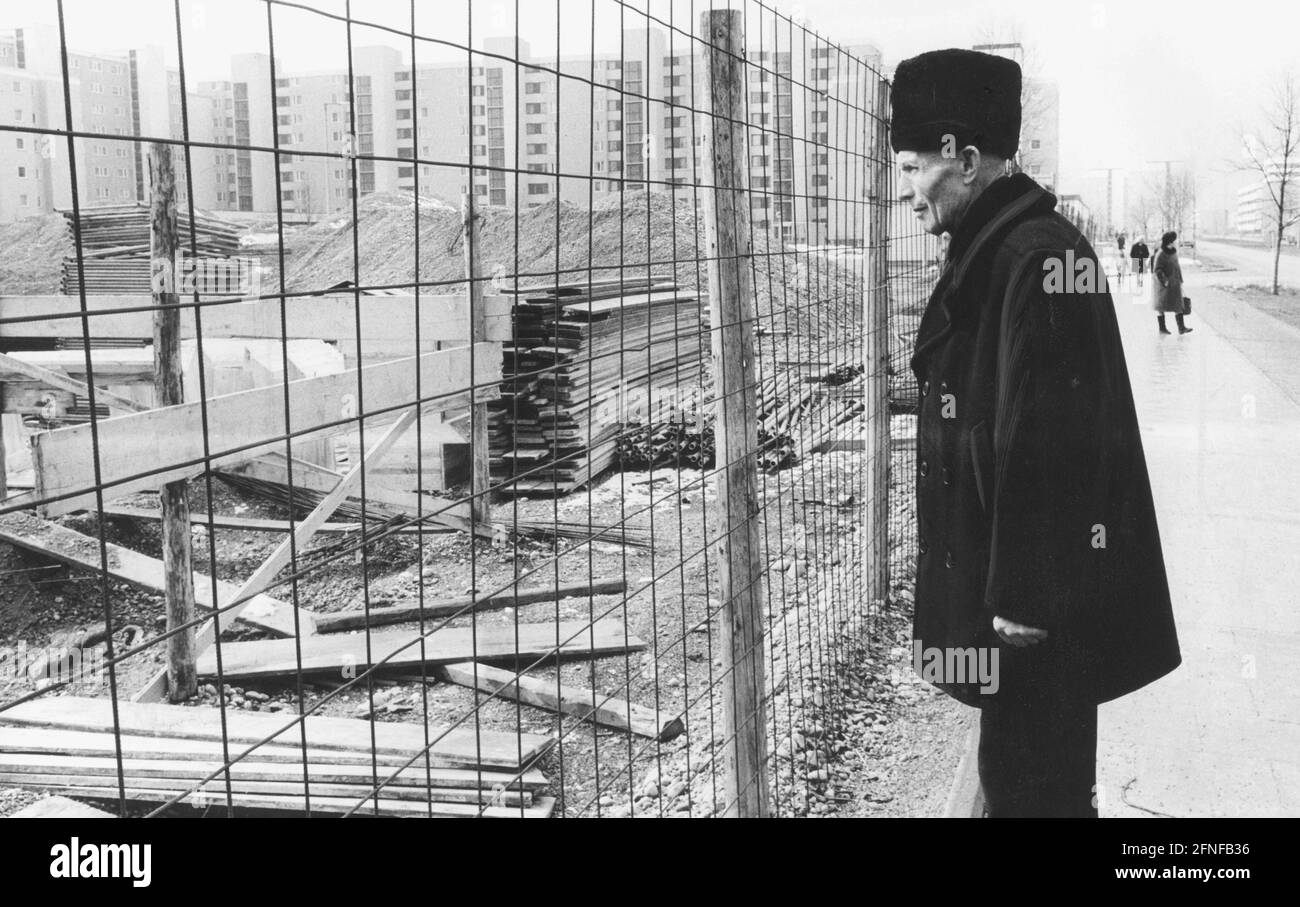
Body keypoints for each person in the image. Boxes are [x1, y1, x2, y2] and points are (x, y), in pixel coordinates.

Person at [891, 48, 1181, 818]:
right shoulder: (1006, 252)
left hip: (1033, 616)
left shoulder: (1040, 257)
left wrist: (1026, 589)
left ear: (969, 159)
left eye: (918, 167)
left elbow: (1057, 434)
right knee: (1020, 781)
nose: (908, 189)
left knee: (1037, 792)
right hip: (1017, 608)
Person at [1152, 231, 1191, 334]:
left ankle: (1181, 328)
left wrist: (1181, 279)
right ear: (1170, 242)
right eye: (1174, 241)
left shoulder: (1173, 252)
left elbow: (1177, 267)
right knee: (1161, 306)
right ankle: (1162, 328)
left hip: (1175, 283)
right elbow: (1157, 270)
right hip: (1163, 286)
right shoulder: (1160, 254)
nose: (1176, 242)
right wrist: (1165, 281)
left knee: (1178, 304)